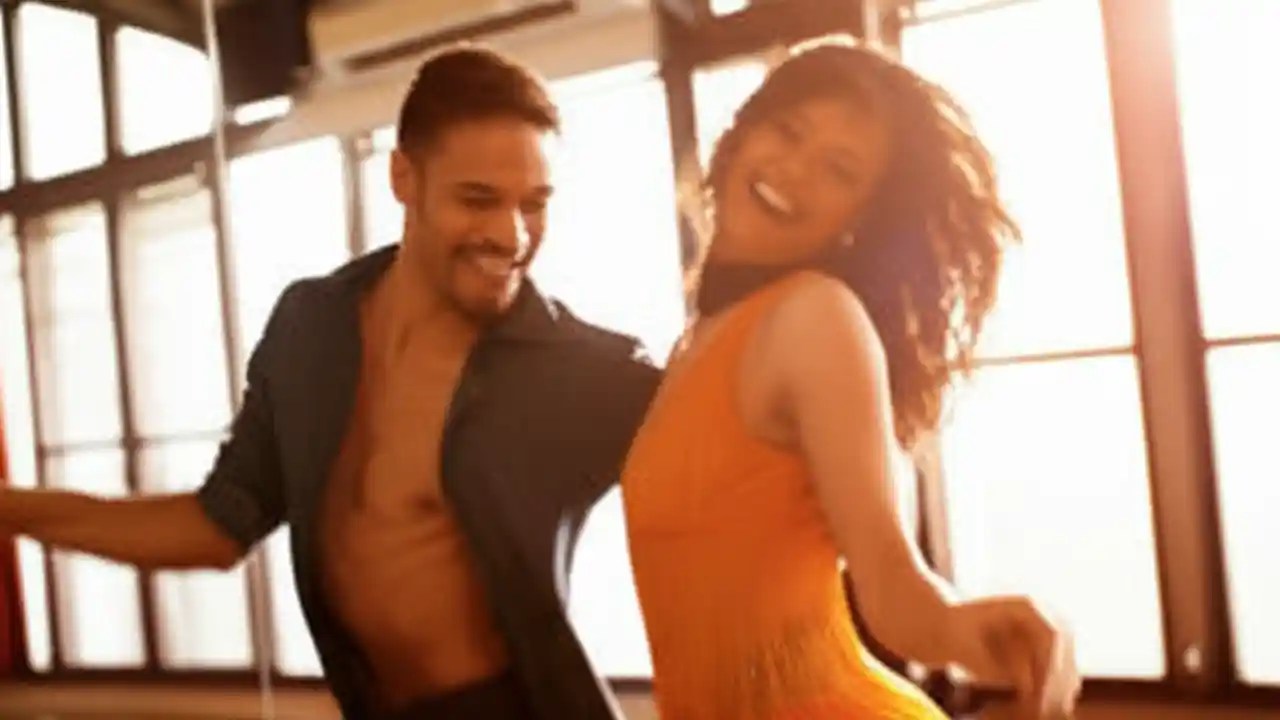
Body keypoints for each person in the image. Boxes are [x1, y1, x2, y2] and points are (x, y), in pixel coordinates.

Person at [0, 46, 658, 720]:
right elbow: (215, 527)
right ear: (403, 177)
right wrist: (9, 509)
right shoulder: (309, 325)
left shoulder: (584, 372)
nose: (511, 234)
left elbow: (739, 451)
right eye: (477, 199)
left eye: (534, 203)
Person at [623, 39, 1081, 720]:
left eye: (838, 170)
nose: (795, 169)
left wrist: (968, 628)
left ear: (857, 221)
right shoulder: (697, 342)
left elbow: (893, 588)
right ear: (741, 133)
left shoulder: (813, 315)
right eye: (788, 131)